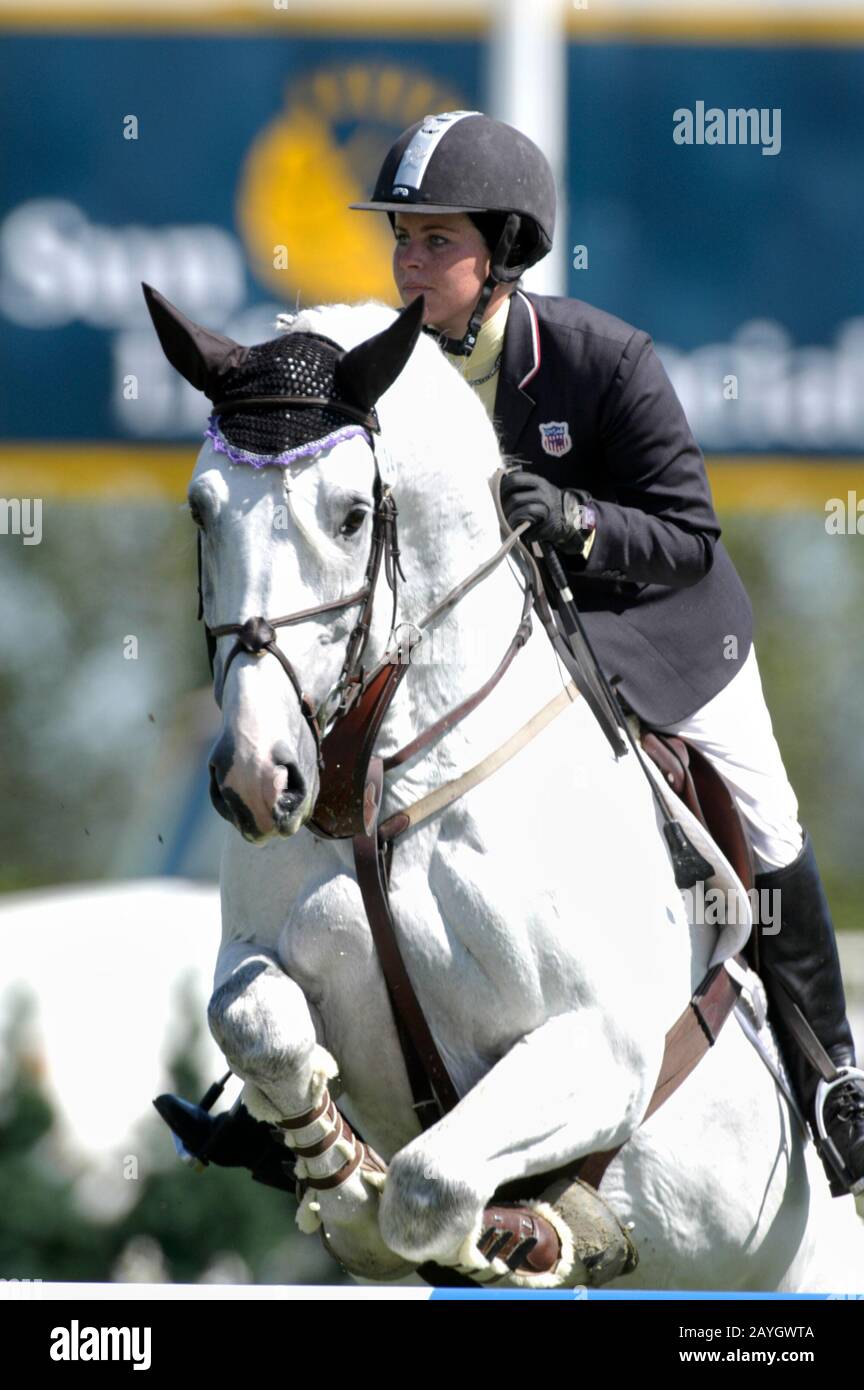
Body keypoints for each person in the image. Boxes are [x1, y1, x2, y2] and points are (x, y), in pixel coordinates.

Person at [349, 109, 864, 1198]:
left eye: (436, 242)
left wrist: (577, 522)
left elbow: (688, 540)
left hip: (668, 629)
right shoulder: (392, 375)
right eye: (403, 239)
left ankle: (832, 1075)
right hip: (502, 641)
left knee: (765, 813)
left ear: (503, 252)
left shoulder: (601, 358)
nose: (409, 264)